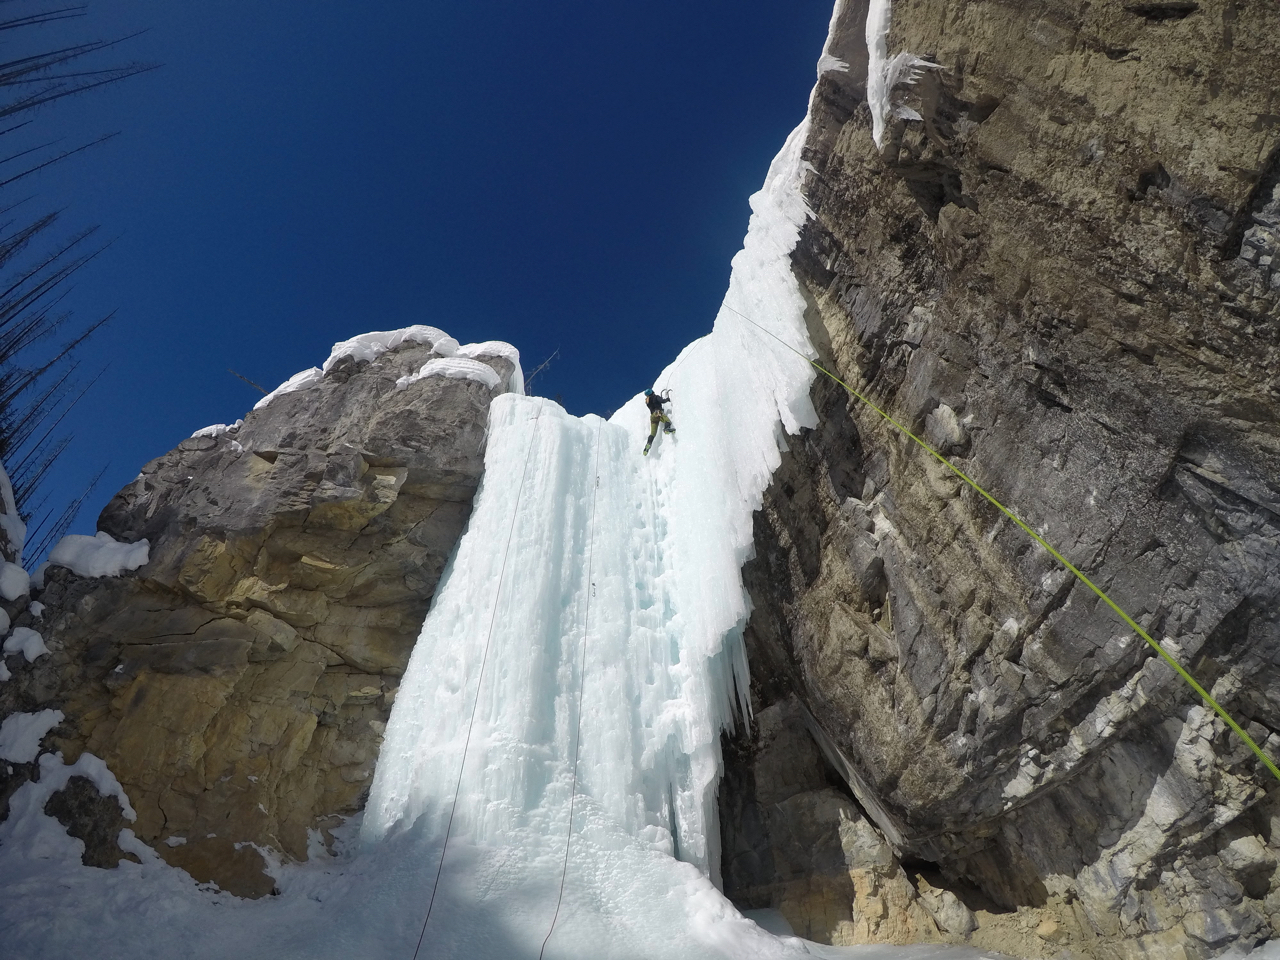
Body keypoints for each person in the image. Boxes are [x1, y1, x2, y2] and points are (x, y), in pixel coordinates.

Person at [643, 388, 674, 455]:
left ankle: (648, 443)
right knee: (667, 420)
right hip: (658, 412)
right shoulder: (656, 397)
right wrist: (667, 399)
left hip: (652, 417)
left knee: (653, 433)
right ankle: (666, 429)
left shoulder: (647, 401)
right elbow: (662, 401)